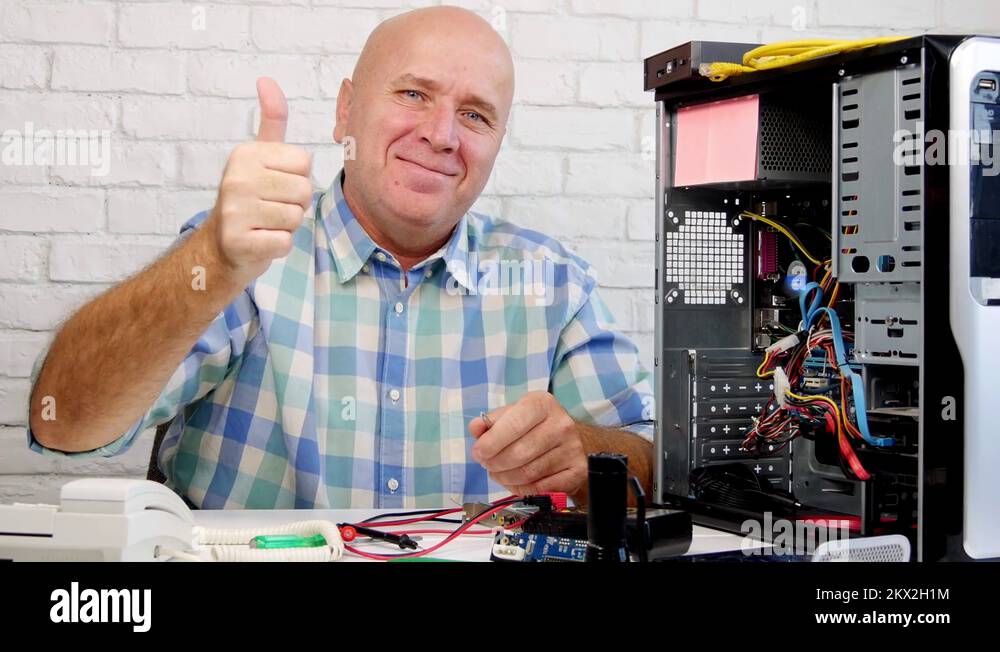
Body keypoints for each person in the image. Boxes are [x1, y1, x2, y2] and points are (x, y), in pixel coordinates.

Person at [27, 5, 654, 509]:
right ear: (345, 110)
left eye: (475, 114)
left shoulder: (552, 281)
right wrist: (214, 263)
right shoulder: (241, 253)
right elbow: (64, 426)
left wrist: (583, 453)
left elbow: (659, 464)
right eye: (412, 93)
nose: (442, 134)